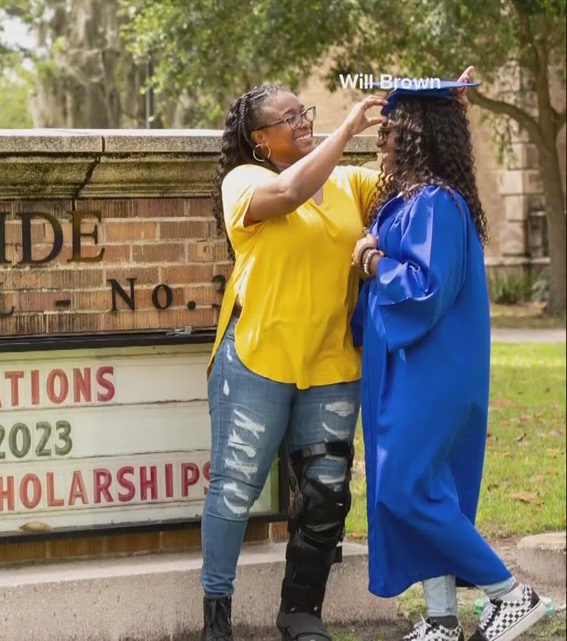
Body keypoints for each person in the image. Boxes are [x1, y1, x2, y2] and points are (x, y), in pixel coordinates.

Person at [351, 79, 549, 641]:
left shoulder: (435, 203)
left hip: (429, 370)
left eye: (391, 129)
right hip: (406, 366)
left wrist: (371, 262)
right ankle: (441, 620)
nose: (382, 138)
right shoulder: (409, 200)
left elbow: (424, 289)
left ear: (417, 134)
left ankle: (511, 594)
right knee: (428, 488)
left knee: (406, 489)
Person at [202, 85, 387, 641]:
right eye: (288, 118)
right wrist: (348, 128)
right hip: (256, 359)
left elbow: (410, 186)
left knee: (328, 492)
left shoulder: (349, 182)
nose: (303, 121)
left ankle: (300, 613)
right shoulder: (245, 181)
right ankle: (217, 617)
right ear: (260, 140)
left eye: (304, 112)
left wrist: (439, 108)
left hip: (331, 363)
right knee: (235, 489)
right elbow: (289, 192)